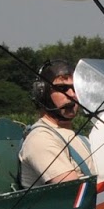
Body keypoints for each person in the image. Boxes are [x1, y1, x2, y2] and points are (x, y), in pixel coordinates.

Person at [19, 58, 95, 188]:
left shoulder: (79, 137)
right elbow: (73, 191)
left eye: (75, 88)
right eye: (62, 88)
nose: (72, 95)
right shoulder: (41, 139)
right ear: (43, 94)